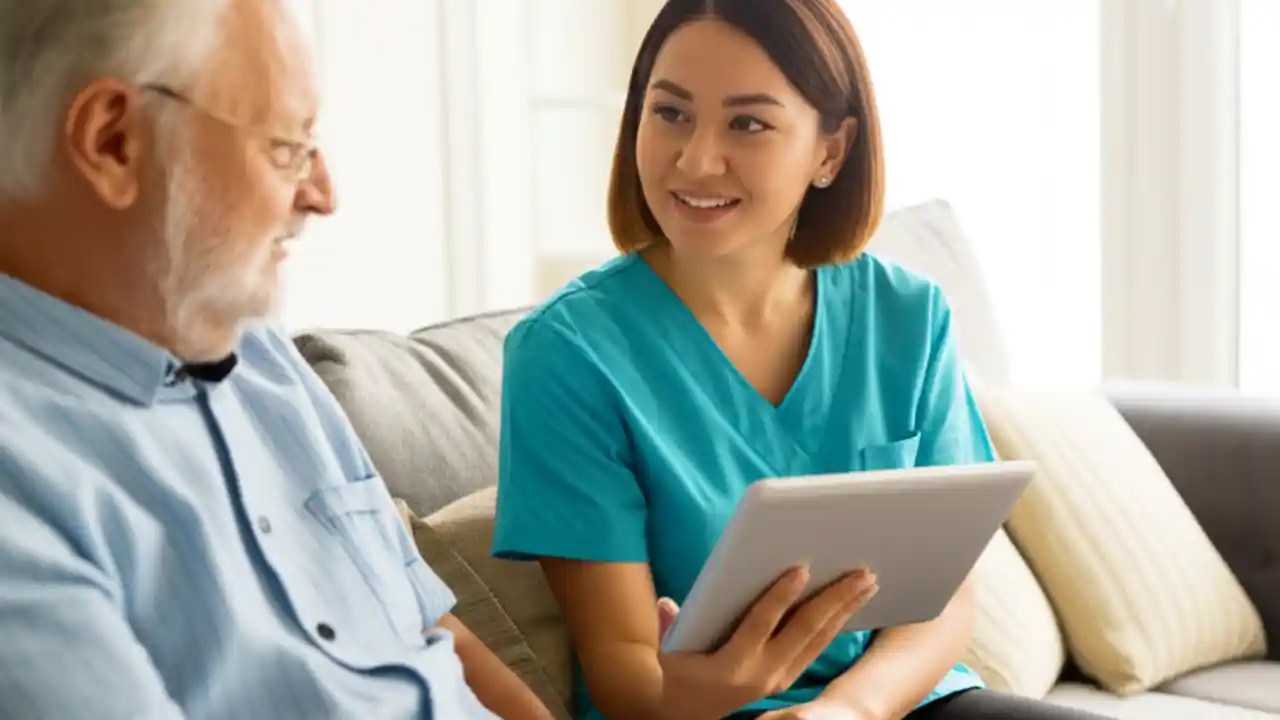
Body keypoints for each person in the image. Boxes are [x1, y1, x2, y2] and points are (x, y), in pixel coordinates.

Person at [492, 1, 1110, 719]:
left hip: (889, 705)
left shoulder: (909, 317)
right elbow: (626, 674)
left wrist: (847, 709)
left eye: (748, 124)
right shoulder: (567, 355)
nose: (696, 160)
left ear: (831, 151)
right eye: (670, 114)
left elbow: (944, 603)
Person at [0, 1, 552, 718]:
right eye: (287, 147)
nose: (323, 195)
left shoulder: (256, 349)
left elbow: (438, 636)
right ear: (114, 142)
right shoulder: (24, 480)